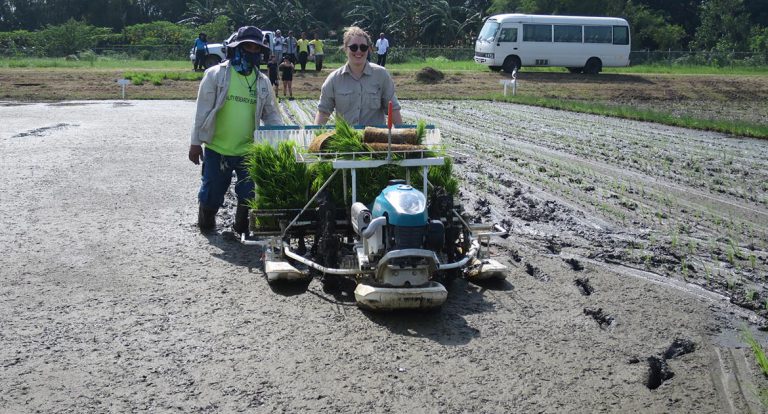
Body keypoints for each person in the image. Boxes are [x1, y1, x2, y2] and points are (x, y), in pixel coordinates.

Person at [189, 26, 284, 233]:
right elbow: (202, 111)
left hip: (247, 150)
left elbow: (272, 115)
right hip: (217, 148)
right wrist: (195, 143)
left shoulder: (262, 82)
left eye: (256, 48)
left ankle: (240, 229)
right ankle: (206, 224)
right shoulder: (216, 75)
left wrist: (282, 142)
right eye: (247, 46)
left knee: (248, 193)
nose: (252, 51)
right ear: (237, 48)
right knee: (212, 193)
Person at [314, 26, 402, 126]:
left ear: (368, 49)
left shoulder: (381, 75)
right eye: (354, 47)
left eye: (363, 47)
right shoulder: (333, 79)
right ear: (345, 48)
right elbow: (323, 111)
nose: (358, 51)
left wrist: (403, 138)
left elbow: (393, 109)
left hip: (375, 139)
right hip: (345, 139)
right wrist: (316, 136)